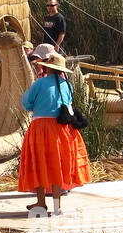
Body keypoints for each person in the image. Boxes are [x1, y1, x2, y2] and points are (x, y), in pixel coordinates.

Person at [19, 51, 90, 214]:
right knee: (56, 165)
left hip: (41, 128)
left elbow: (27, 104)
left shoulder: (40, 83)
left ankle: (41, 202)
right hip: (62, 130)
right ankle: (57, 207)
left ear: (48, 68)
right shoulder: (67, 85)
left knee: (39, 163)